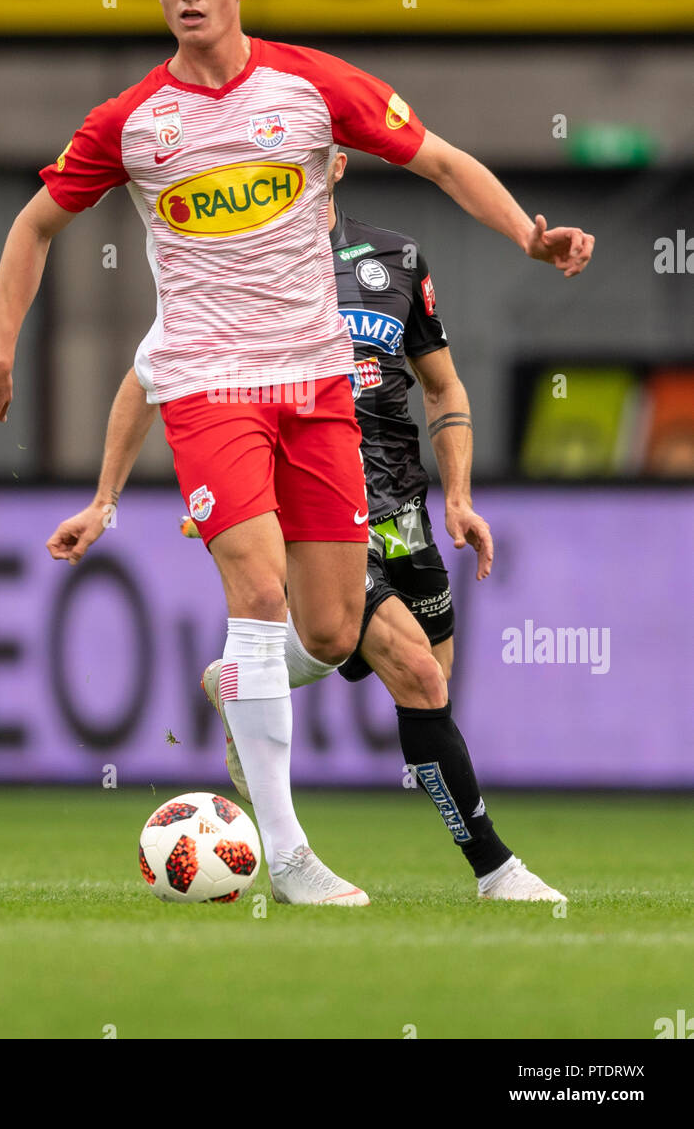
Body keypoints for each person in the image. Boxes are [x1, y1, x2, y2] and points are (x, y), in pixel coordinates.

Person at [0, 0, 593, 905]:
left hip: (315, 386)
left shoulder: (307, 87)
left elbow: (434, 157)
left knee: (332, 630)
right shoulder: (129, 124)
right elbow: (33, 228)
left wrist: (527, 235)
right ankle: (287, 857)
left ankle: (238, 683)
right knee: (254, 596)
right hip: (211, 390)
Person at [47, 148, 564, 902]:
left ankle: (239, 678)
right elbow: (145, 376)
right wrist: (105, 500)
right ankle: (496, 871)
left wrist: (457, 497)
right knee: (417, 673)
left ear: (337, 163)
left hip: (398, 512)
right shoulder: (237, 269)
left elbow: (444, 387)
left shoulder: (395, 256)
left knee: (412, 679)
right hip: (304, 505)